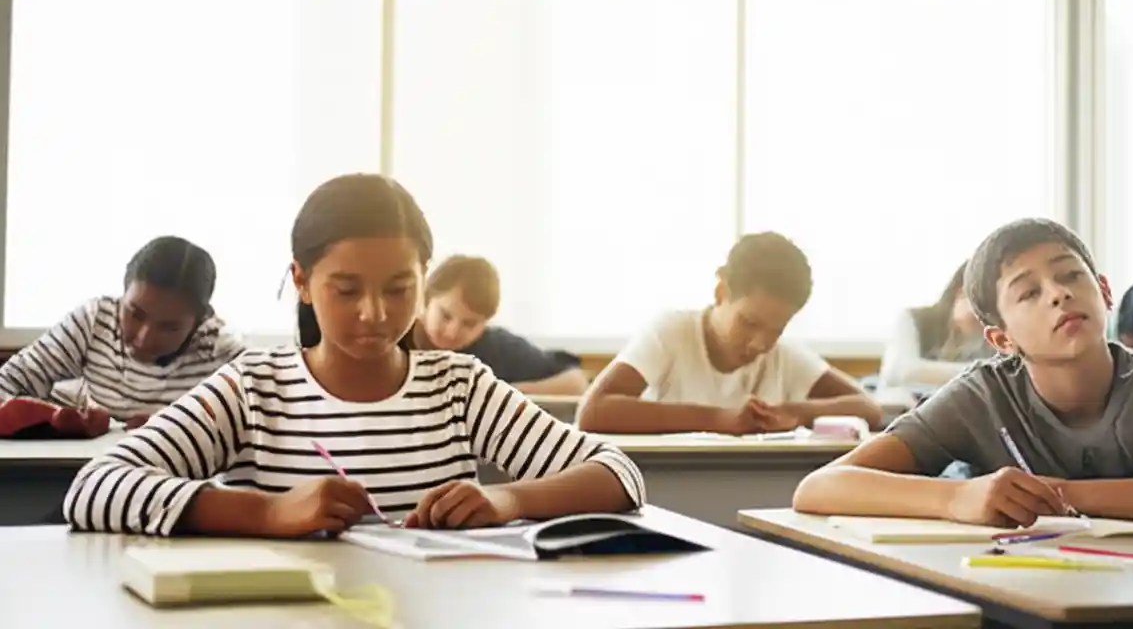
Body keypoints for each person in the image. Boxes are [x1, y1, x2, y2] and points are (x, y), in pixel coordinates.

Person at [63, 174, 644, 536]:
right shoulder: (253, 388)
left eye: (398, 289)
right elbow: (95, 486)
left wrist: (506, 497)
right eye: (346, 290)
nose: (374, 313)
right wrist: (266, 513)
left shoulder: (458, 387)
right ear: (303, 280)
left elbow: (620, 474)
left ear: (425, 280)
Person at [793, 218, 1133, 527]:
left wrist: (1064, 495)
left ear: (1104, 292)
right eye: (1029, 292)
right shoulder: (980, 396)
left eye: (1071, 275)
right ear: (1002, 339)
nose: (1058, 294)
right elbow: (818, 489)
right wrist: (957, 497)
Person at [578, 232, 882, 434]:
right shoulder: (672, 332)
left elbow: (868, 408)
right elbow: (593, 412)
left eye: (777, 330)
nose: (760, 343)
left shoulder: (783, 356)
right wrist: (721, 420)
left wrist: (793, 412)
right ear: (721, 291)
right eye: (749, 323)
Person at [0, 236, 242, 429]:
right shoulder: (95, 319)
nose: (143, 338)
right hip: (80, 467)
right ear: (123, 294)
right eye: (135, 313)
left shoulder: (222, 351)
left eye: (169, 327)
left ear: (201, 321)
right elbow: (9, 381)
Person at [412, 255, 587, 395]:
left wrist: (505, 394)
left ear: (486, 322)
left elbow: (576, 382)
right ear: (427, 299)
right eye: (445, 315)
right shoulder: (397, 336)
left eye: (469, 324)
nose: (452, 332)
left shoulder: (497, 346)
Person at [879, 262, 993, 389]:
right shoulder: (915, 318)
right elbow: (900, 371)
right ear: (960, 293)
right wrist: (982, 373)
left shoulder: (996, 332)